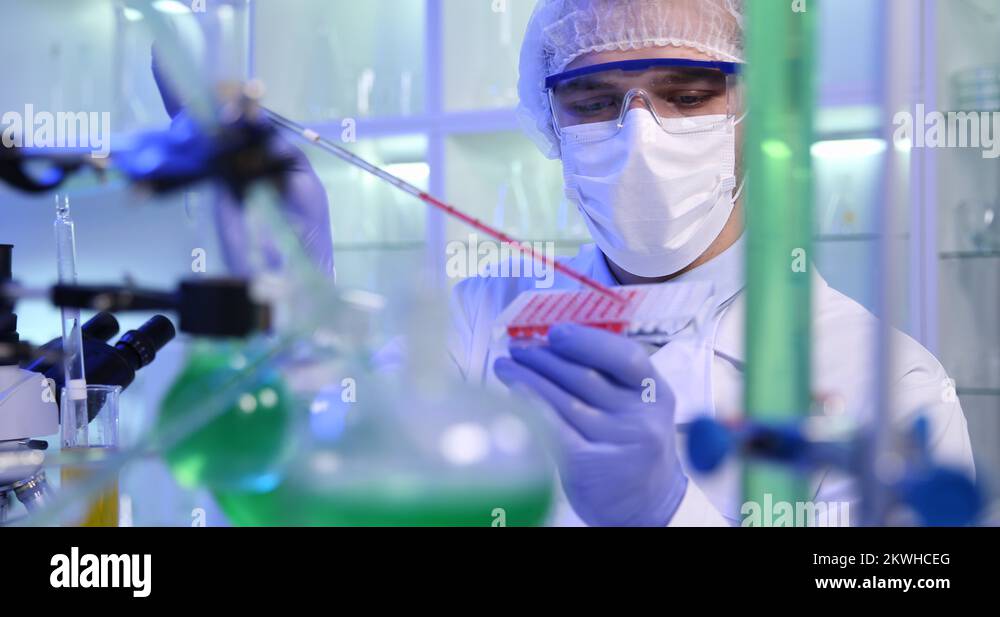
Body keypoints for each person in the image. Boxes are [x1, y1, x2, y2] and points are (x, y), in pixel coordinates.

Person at [154, 0, 975, 526]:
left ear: (750, 112)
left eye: (689, 95)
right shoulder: (481, 321)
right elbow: (314, 491)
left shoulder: (888, 383)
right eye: (593, 101)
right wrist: (288, 315)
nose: (638, 136)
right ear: (548, 121)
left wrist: (668, 513)